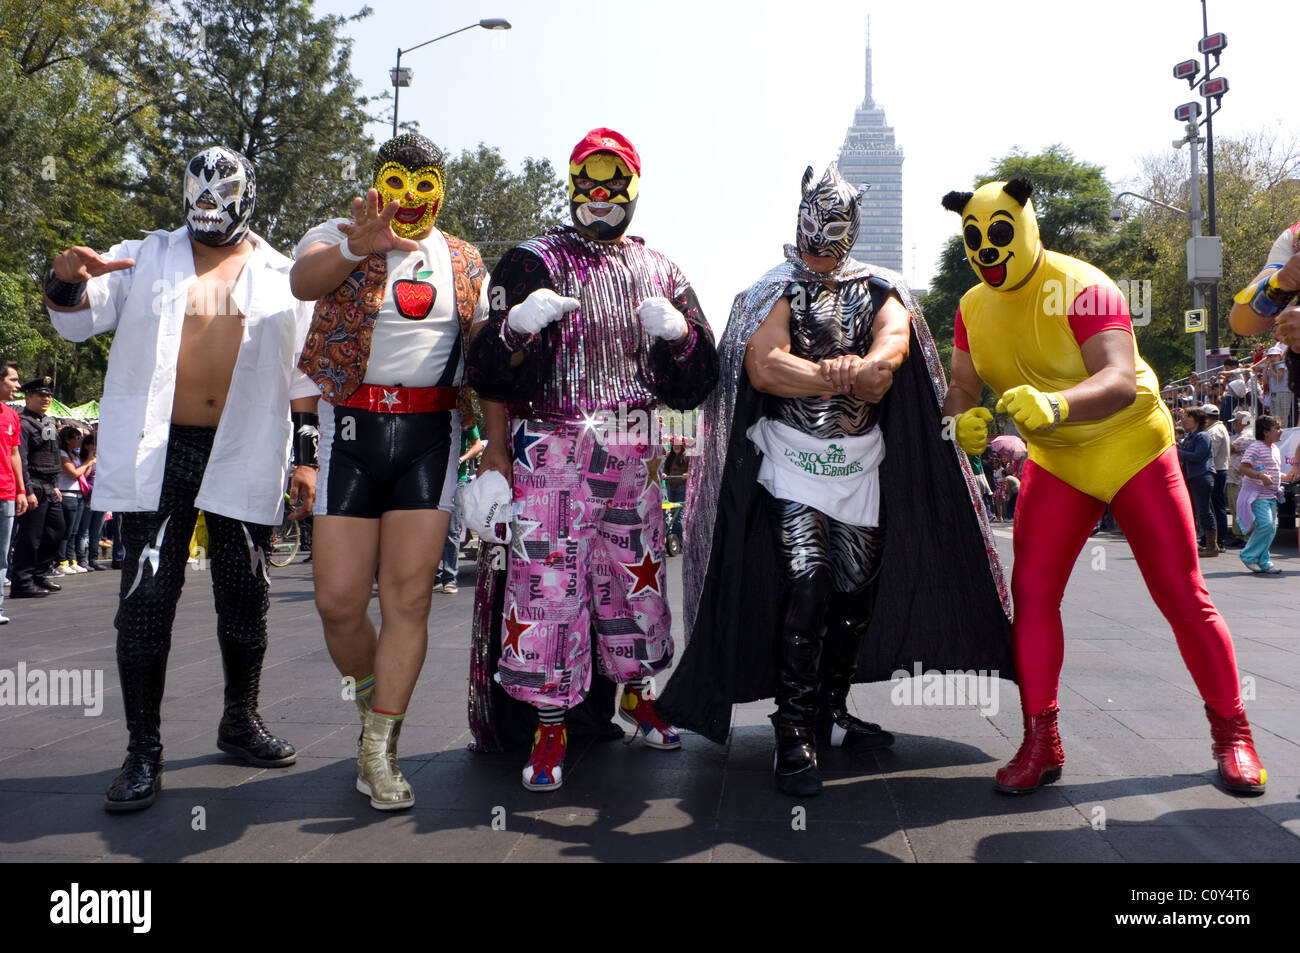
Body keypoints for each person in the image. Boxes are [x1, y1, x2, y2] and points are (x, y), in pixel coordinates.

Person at [657, 164, 1013, 797]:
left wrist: (859, 368)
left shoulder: (882, 289)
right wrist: (838, 375)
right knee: (808, 586)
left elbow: (889, 360)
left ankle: (830, 708)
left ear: (853, 229)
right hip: (792, 463)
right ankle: (793, 730)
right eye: (813, 221)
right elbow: (765, 369)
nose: (821, 236)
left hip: (859, 466)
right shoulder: (773, 290)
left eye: (835, 224)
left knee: (854, 595)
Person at [941, 178, 1267, 795]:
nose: (987, 248)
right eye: (974, 236)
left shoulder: (1084, 286)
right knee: (1032, 595)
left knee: (1181, 594)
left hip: (1132, 446)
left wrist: (1057, 407)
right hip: (1059, 462)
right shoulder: (970, 308)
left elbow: (1118, 379)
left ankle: (1233, 734)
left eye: (1000, 233)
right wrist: (962, 419)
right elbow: (962, 386)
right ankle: (1041, 740)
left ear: (1026, 224)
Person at [45, 145, 316, 812]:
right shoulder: (146, 255)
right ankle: (143, 750)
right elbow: (77, 320)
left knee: (245, 592)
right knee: (145, 599)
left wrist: (308, 456)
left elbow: (304, 373)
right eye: (196, 204)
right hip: (157, 450)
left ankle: (239, 717)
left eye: (218, 205)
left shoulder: (281, 273)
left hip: (245, 446)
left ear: (244, 203)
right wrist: (64, 278)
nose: (206, 216)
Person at [466, 127, 719, 791]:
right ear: (572, 182)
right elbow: (484, 367)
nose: (599, 195)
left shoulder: (662, 269)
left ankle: (636, 692)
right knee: (547, 586)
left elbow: (701, 378)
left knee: (632, 579)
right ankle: (550, 721)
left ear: (634, 187)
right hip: (548, 446)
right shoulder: (528, 261)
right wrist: (516, 328)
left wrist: (684, 336)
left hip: (630, 446)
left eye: (613, 183)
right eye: (587, 180)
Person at [291, 133, 487, 810]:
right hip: (351, 428)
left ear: (441, 185)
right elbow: (302, 281)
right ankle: (373, 701)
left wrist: (497, 446)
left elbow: (483, 354)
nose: (409, 198)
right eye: (397, 181)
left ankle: (379, 747)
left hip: (431, 435)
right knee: (338, 601)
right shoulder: (342, 231)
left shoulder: (463, 258)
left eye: (424, 182)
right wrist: (357, 245)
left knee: (407, 599)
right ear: (378, 181)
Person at [10, 377, 65, 599]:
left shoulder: (48, 422)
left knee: (57, 531)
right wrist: (27, 490)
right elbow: (21, 459)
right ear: (28, 397)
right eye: (40, 395)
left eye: (48, 395)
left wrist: (55, 485)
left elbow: (52, 456)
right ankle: (22, 581)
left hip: (50, 486)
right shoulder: (23, 423)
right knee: (30, 537)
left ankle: (39, 574)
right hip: (34, 483)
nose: (46, 399)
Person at [1236, 415, 1298, 574]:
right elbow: (1244, 467)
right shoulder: (1255, 447)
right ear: (1265, 432)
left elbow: (1271, 470)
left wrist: (1284, 476)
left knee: (1270, 528)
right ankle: (1248, 555)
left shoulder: (1275, 449)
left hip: (1270, 495)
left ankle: (1263, 561)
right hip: (1257, 495)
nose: (1281, 430)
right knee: (1265, 525)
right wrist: (1260, 477)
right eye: (1276, 428)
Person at [434, 423, 485, 594]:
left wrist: (462, 459)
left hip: (456, 479)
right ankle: (435, 576)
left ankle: (449, 578)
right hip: (432, 477)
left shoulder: (464, 416)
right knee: (431, 530)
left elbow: (478, 444)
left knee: (451, 529)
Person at [0, 362, 29, 622]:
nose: (17, 386)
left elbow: (14, 454)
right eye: (13, 380)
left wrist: (21, 489)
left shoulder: (11, 416)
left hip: (7, 493)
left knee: (2, 554)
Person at [1176, 408, 1217, 557]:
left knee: (1204, 511)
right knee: (1198, 511)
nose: (1184, 419)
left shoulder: (1202, 436)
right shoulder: (1190, 437)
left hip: (1202, 476)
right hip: (1194, 477)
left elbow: (1198, 456)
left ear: (1196, 419)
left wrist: (1177, 452)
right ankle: (1202, 542)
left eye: (1187, 416)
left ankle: (1212, 546)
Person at [56, 426, 93, 574]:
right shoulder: (62, 454)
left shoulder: (75, 455)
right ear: (67, 439)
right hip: (67, 494)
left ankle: (71, 560)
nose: (79, 441)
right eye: (76, 438)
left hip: (78, 495)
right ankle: (61, 560)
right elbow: (73, 473)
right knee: (66, 530)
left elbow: (84, 473)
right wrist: (87, 462)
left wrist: (88, 459)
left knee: (74, 531)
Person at [1203, 404, 1231, 553]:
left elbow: (1209, 454)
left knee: (1216, 506)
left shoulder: (1213, 431)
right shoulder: (1219, 428)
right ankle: (1217, 539)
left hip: (1216, 471)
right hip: (1219, 469)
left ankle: (1218, 540)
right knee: (1217, 506)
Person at [1225, 409, 1253, 544]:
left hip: (1241, 479)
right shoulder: (1241, 434)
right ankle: (1239, 535)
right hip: (1234, 477)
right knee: (1235, 508)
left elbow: (1230, 448)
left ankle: (1246, 536)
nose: (1234, 425)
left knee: (1242, 508)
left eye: (1236, 422)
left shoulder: (1249, 434)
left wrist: (1222, 435)